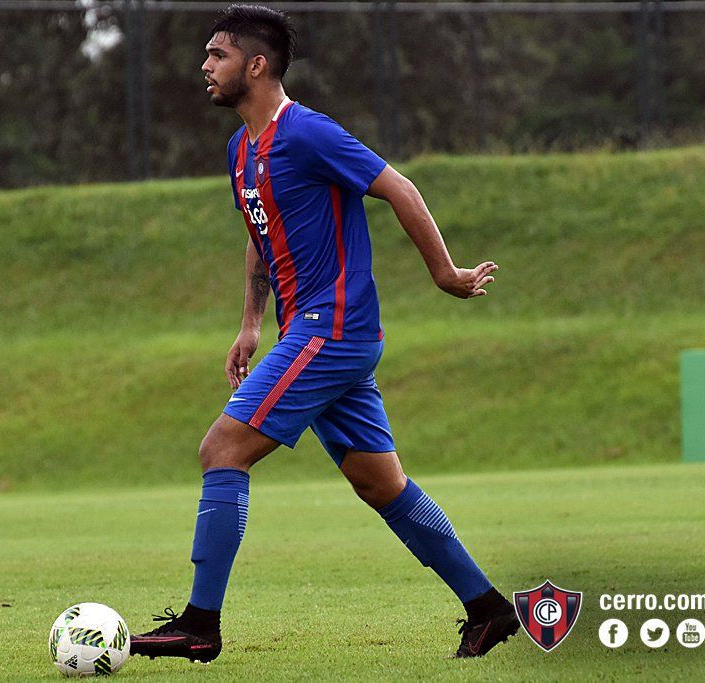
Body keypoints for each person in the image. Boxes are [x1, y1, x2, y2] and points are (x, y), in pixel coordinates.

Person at [131, 4, 517, 663]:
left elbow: (399, 187)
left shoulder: (307, 133)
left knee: (222, 448)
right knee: (381, 484)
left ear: (255, 65)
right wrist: (250, 325)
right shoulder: (241, 149)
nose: (205, 65)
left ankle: (200, 625)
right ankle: (489, 609)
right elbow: (261, 233)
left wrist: (445, 274)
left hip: (330, 329)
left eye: (216, 54)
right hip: (316, 333)